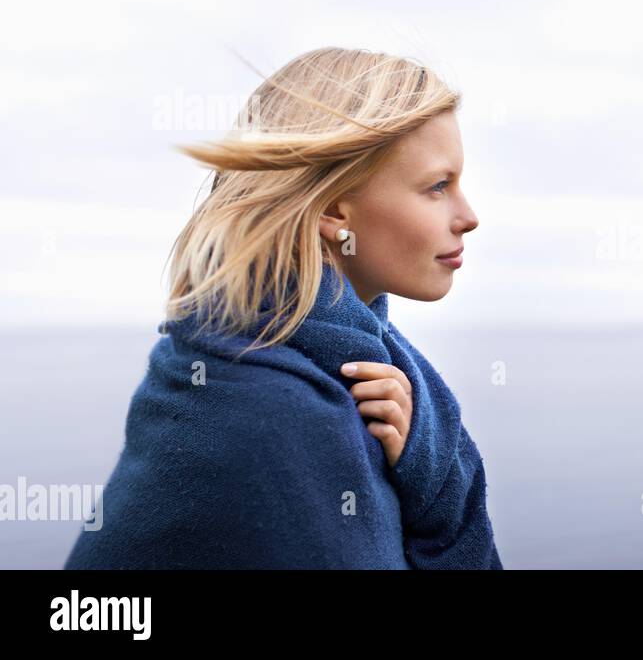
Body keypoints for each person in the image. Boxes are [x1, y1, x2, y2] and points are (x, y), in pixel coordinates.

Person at [64, 47, 503, 569]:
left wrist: (424, 468)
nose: (469, 216)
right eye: (437, 186)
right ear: (334, 209)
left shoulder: (364, 375)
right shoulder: (273, 411)